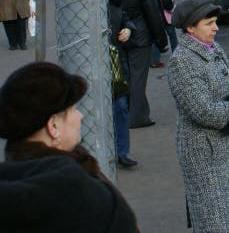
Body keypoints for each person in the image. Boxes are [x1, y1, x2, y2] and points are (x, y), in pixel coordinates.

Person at [0, 62, 138, 232]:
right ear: (53, 126)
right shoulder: (84, 196)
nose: (80, 116)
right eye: (73, 109)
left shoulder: (11, 182)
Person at [168, 0, 229, 233]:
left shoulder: (212, 48)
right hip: (203, 154)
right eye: (209, 24)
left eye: (215, 22)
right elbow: (206, 112)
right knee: (214, 221)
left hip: (225, 148)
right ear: (190, 27)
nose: (216, 28)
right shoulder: (183, 60)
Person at [109, 0, 168, 128]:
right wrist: (161, 39)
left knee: (123, 76)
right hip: (141, 37)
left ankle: (123, 112)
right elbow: (153, 14)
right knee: (138, 77)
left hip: (117, 34)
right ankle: (137, 117)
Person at [108, 0, 137, 168]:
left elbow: (126, 19)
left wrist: (128, 28)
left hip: (116, 65)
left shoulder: (114, 4)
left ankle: (122, 152)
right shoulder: (82, 6)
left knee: (121, 107)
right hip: (92, 67)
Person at [149, 0, 177, 68]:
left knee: (156, 37)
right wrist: (173, 9)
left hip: (154, 17)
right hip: (166, 17)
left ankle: (154, 60)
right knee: (172, 36)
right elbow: (167, 4)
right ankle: (176, 57)